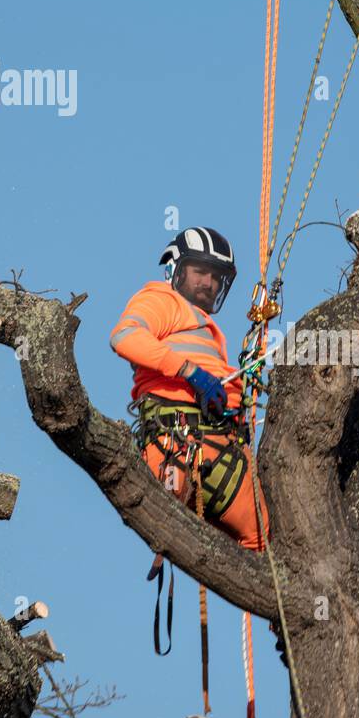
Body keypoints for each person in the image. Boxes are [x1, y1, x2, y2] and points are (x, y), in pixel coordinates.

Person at [109, 226, 269, 551]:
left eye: (215, 277)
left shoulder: (206, 331)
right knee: (263, 542)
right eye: (200, 272)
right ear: (175, 269)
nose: (208, 283)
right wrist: (188, 371)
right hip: (183, 445)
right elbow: (124, 336)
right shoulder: (163, 300)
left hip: (205, 451)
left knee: (257, 548)